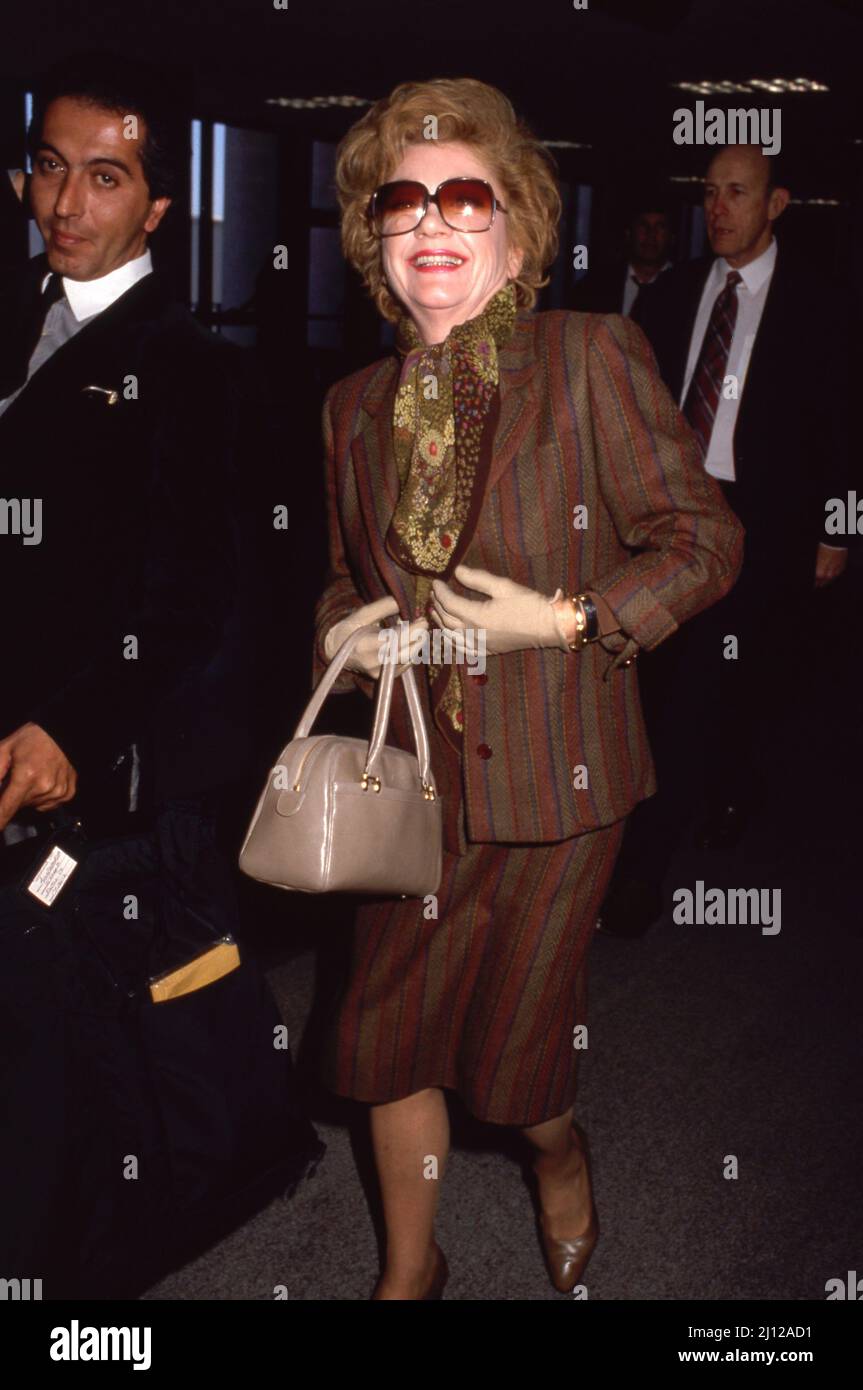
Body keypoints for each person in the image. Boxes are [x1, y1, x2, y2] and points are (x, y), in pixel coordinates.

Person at [311, 77, 743, 1300]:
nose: (431, 220)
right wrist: (354, 638)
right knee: (383, 1040)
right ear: (374, 238)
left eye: (466, 195)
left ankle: (557, 1157)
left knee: (508, 1069)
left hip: (561, 782)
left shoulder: (587, 354)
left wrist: (561, 618)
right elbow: (336, 586)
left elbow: (704, 541)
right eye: (403, 200)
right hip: (410, 790)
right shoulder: (350, 412)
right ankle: (411, 1274)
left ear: (516, 230)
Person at [0, 54, 319, 1294]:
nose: (67, 203)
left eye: (105, 177)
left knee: (112, 998)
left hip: (107, 749)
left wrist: (70, 728)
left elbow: (190, 602)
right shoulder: (22, 317)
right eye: (48, 169)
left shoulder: (188, 366)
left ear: (158, 208)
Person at [599, 143, 854, 938]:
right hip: (673, 514)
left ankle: (726, 786)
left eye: (736, 193)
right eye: (708, 193)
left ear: (776, 204)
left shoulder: (821, 303)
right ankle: (638, 871)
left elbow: (847, 420)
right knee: (669, 687)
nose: (716, 208)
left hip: (766, 518)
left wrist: (837, 527)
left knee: (736, 682)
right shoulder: (672, 295)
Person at [573, 196, 673, 315]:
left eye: (660, 227)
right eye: (643, 226)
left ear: (671, 237)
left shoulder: (683, 289)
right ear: (629, 234)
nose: (651, 234)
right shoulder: (596, 286)